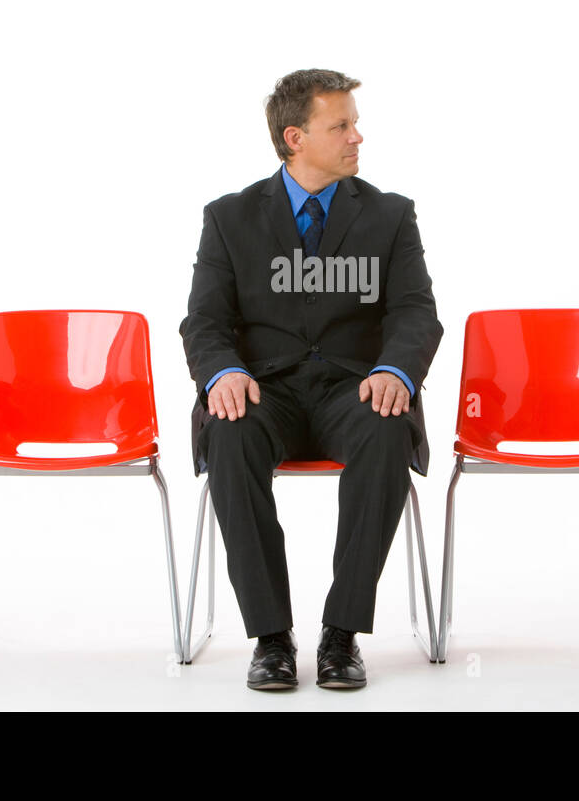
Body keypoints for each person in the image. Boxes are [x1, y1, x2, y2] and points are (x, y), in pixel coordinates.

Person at [180, 69, 443, 690]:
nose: (358, 136)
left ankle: (341, 633)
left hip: (353, 389)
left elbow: (414, 310)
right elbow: (205, 320)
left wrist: (395, 369)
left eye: (354, 123)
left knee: (386, 432)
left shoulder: (390, 214)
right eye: (342, 125)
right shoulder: (230, 217)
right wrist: (221, 372)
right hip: (263, 391)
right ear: (295, 137)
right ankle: (271, 637)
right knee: (229, 434)